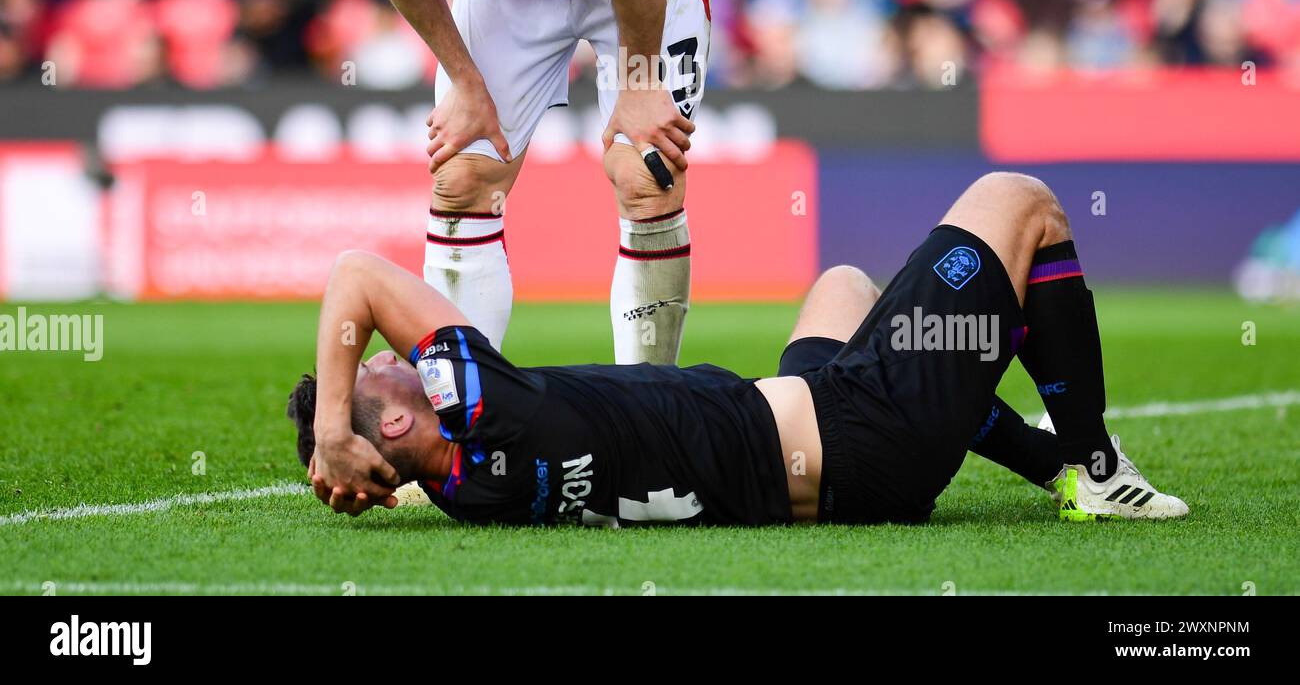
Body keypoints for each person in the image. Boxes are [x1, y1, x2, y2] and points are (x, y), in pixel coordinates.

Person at [288, 172, 1188, 526]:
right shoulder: (490, 407)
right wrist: (336, 425)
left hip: (808, 431)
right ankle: (1096, 465)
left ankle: (1045, 463)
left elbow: (396, 429)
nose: (373, 354)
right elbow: (356, 274)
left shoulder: (467, 486)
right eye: (373, 371)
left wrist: (365, 461)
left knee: (843, 285)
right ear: (401, 413)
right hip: (862, 438)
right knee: (1020, 199)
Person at [287, 0, 712, 363]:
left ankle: (652, 406)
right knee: (460, 177)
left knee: (646, 171)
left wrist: (641, 85)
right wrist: (465, 83)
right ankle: (466, 408)